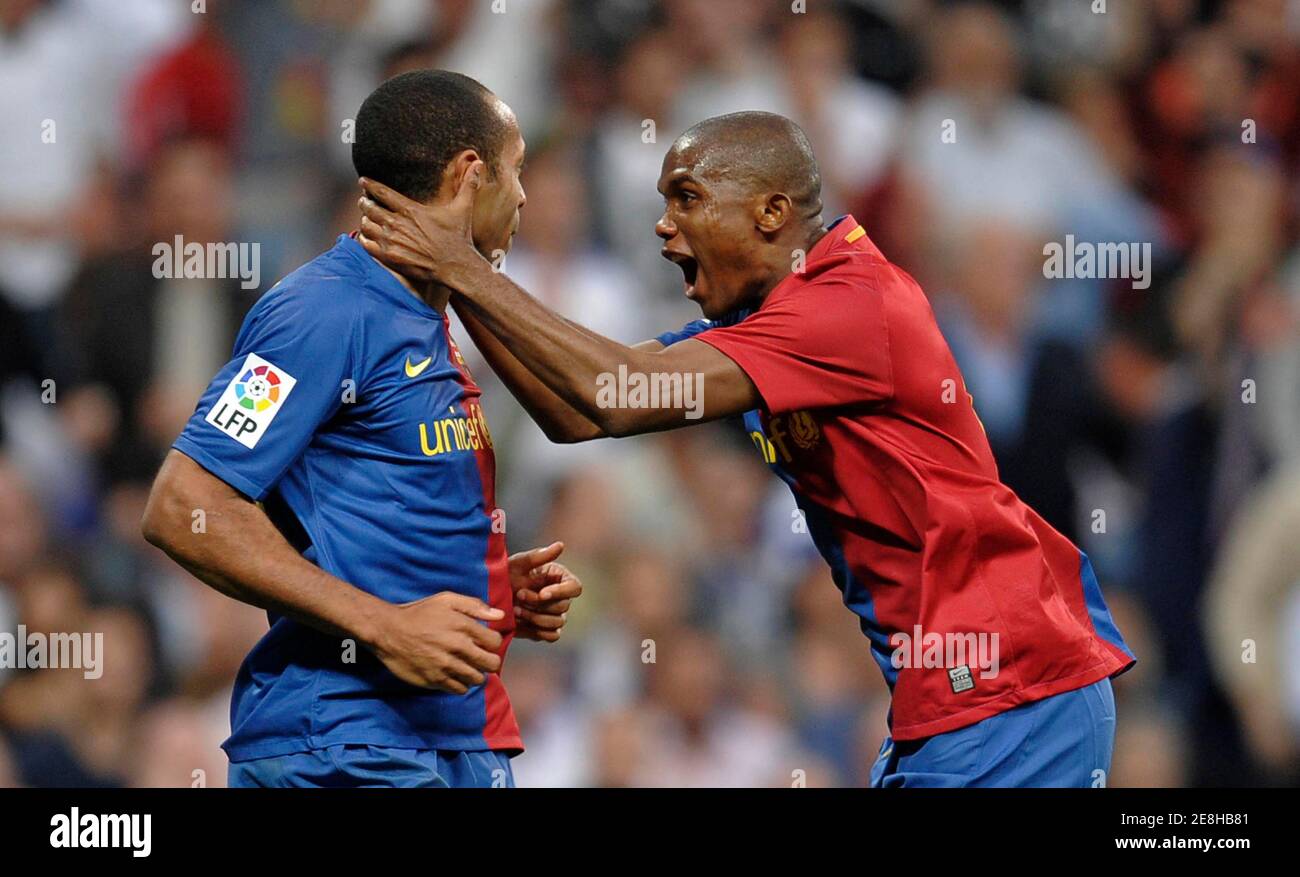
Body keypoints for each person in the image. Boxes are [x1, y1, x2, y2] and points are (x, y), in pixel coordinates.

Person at [357, 107, 1136, 787]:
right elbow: (582, 413)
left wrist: (457, 263)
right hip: (958, 689)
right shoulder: (767, 321)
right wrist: (459, 278)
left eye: (688, 199)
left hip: (1012, 679)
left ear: (769, 212)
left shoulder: (848, 305)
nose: (664, 226)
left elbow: (609, 390)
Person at [142, 70, 581, 788]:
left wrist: (480, 582)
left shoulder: (428, 314)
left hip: (448, 736)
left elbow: (365, 503)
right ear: (471, 176)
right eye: (518, 168)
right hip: (344, 743)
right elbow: (182, 504)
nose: (526, 196)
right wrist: (385, 625)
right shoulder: (319, 312)